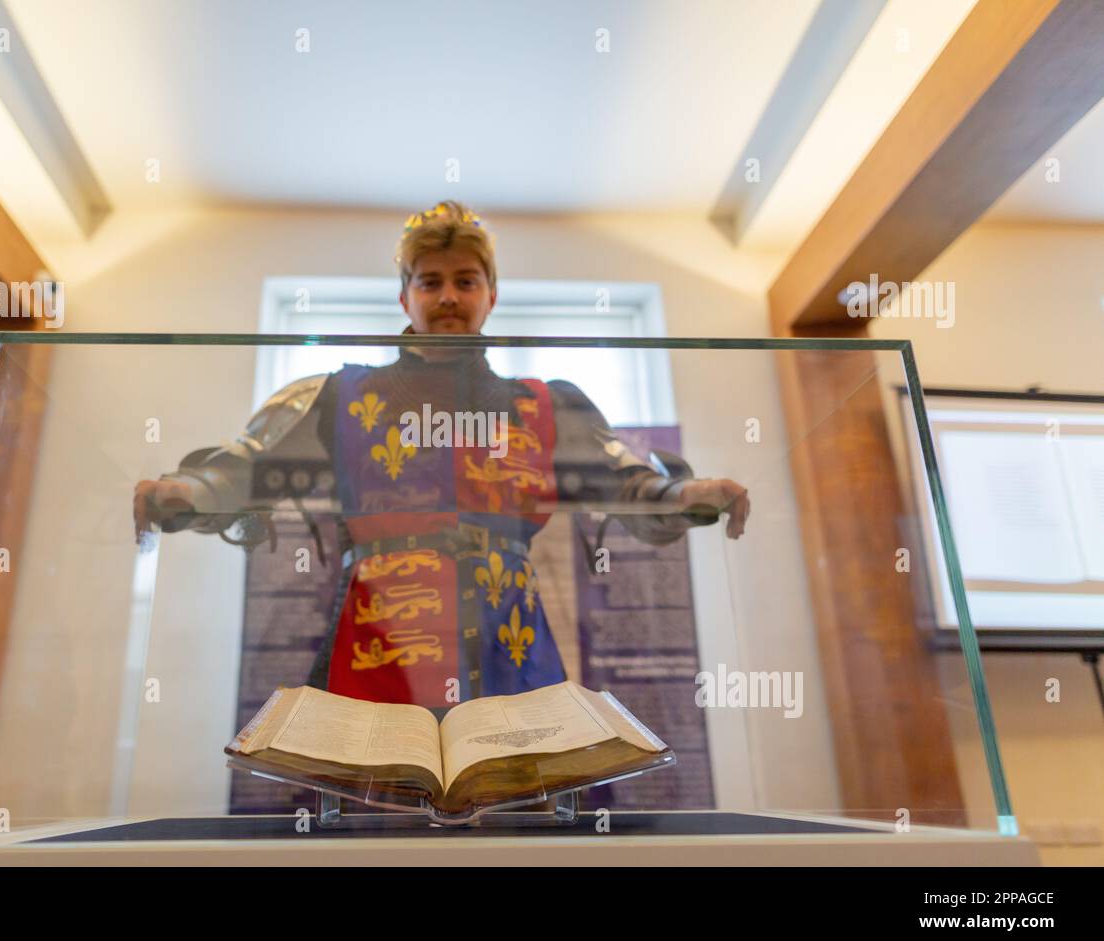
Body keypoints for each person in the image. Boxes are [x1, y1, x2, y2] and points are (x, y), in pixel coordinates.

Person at [133, 201, 749, 711]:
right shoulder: (335, 396)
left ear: (491, 294)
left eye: (465, 280)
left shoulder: (546, 405)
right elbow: (244, 464)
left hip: (510, 643)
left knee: (513, 825)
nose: (448, 296)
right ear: (405, 297)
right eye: (430, 281)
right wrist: (190, 492)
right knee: (373, 823)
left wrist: (687, 496)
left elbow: (633, 483)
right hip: (377, 643)